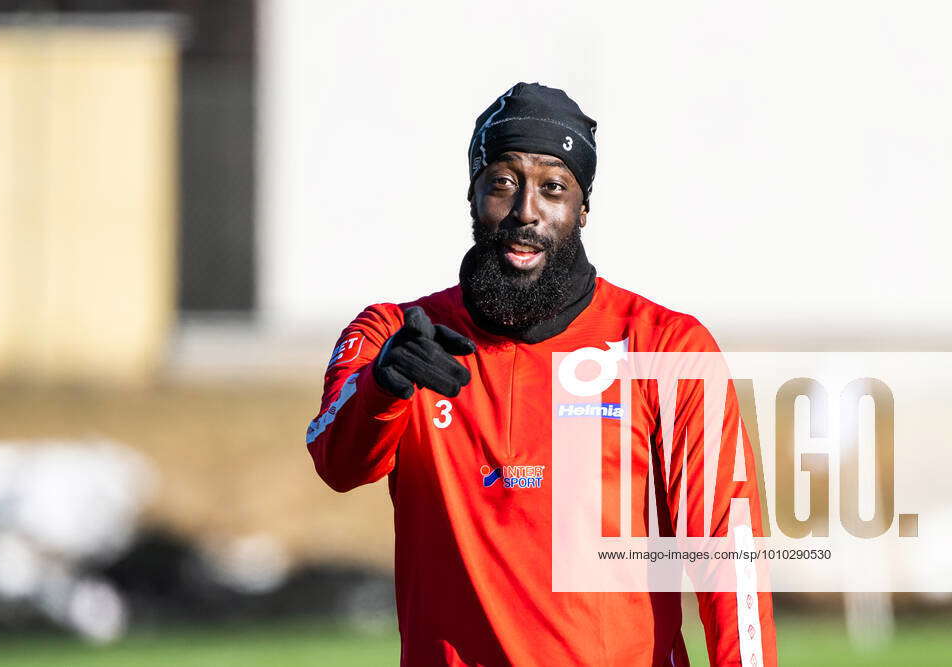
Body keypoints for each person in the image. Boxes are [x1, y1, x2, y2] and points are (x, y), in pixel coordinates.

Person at [306, 82, 776, 666]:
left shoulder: (667, 344)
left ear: (583, 208)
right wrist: (384, 386)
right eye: (503, 182)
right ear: (473, 195)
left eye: (553, 187)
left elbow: (727, 549)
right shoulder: (395, 335)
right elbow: (338, 464)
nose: (526, 210)